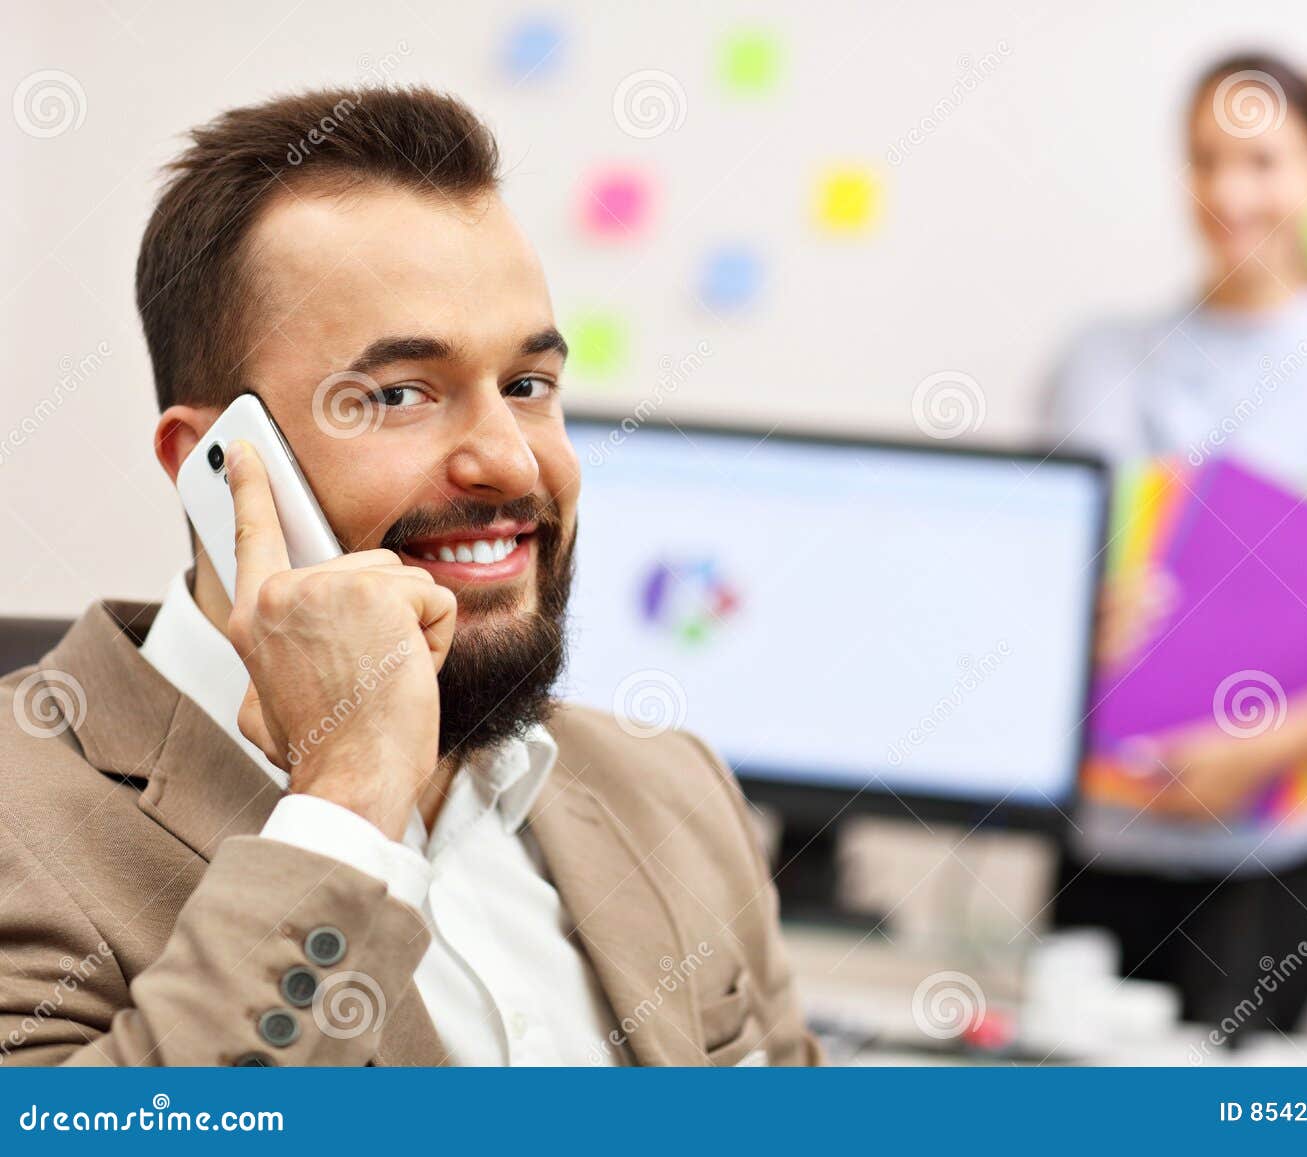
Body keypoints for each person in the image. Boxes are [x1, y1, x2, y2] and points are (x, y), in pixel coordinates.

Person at [0, 87, 817, 1067]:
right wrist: (347, 801)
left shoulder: (672, 786)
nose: (513, 464)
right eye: (398, 394)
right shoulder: (23, 826)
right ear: (215, 462)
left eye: (526, 385)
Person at [1044, 53, 1307, 1038]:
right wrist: (1072, 628)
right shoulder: (1093, 362)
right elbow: (1021, 606)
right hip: (1098, 845)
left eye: (1262, 160)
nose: (1230, 191)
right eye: (1205, 159)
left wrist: (1260, 746)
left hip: (1276, 865)